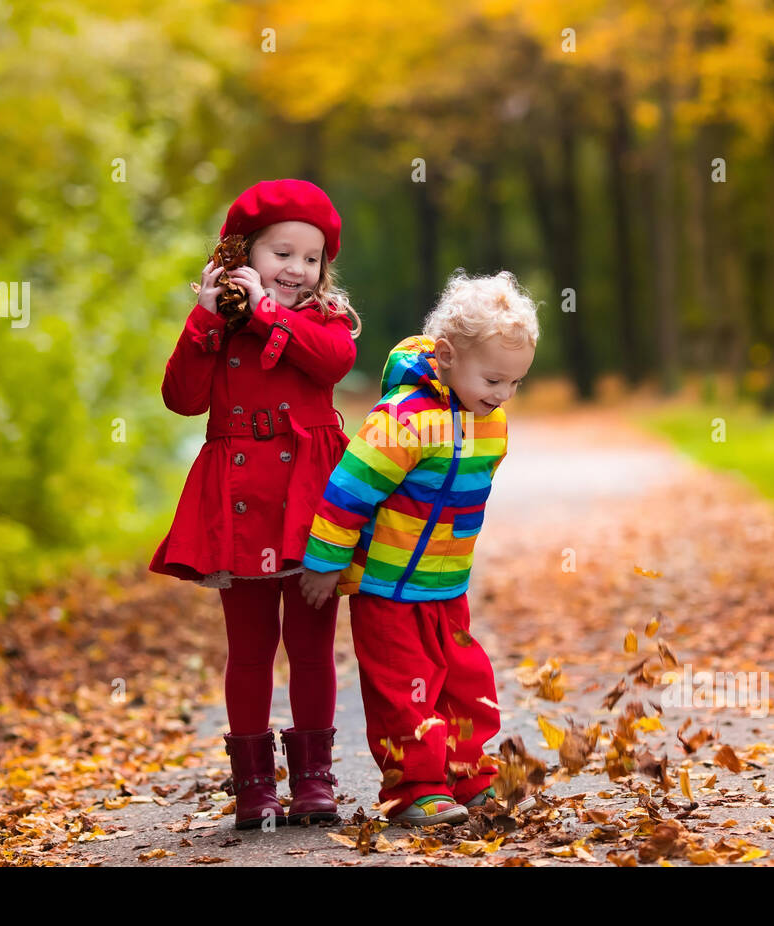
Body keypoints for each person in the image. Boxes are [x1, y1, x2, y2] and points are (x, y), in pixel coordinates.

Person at [150, 179, 361, 829]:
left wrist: (268, 314)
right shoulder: (216, 327)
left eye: (311, 258)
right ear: (241, 255)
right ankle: (252, 784)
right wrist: (207, 318)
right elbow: (182, 398)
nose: (298, 269)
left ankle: (313, 778)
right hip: (239, 500)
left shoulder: (321, 320)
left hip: (308, 499)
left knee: (311, 644)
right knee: (248, 648)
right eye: (282, 254)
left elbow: (332, 364)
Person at [300, 269, 539, 826]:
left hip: (445, 584)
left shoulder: (491, 424)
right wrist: (324, 563)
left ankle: (467, 773)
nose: (502, 396)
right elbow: (348, 492)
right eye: (493, 380)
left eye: (514, 384)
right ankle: (416, 788)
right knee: (403, 689)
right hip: (387, 588)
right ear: (449, 356)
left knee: (465, 679)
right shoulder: (402, 420)